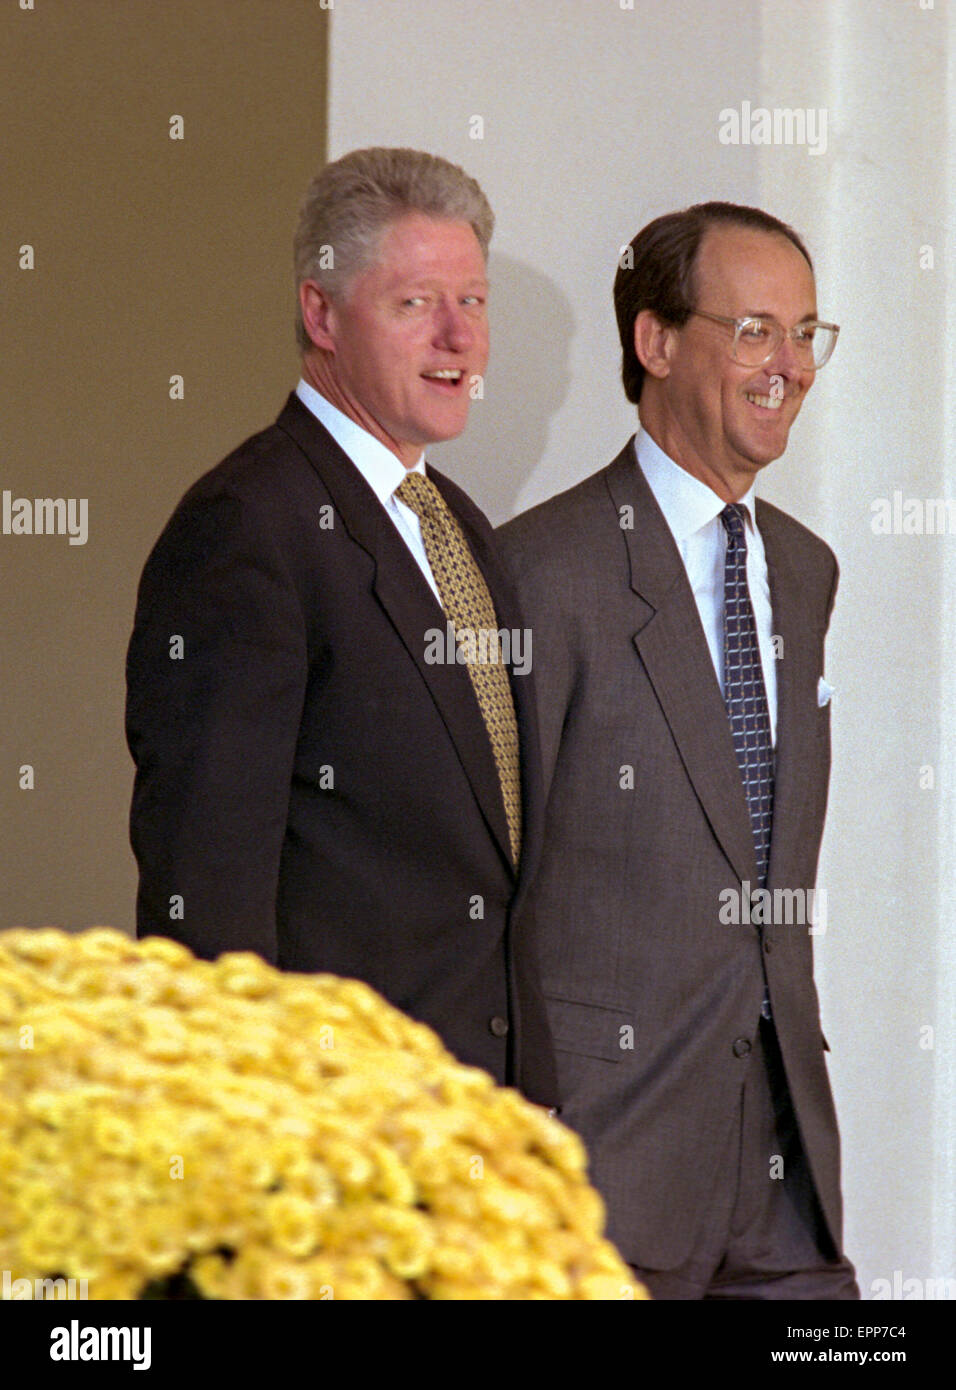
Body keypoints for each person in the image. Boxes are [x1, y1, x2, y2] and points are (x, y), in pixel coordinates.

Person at [126, 147, 556, 1105]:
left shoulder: (460, 527)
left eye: (474, 302)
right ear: (321, 313)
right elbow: (207, 889)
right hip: (336, 1135)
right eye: (415, 304)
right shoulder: (249, 525)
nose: (458, 338)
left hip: (482, 1123)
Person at [497, 202, 858, 1297]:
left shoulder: (804, 568)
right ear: (654, 342)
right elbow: (485, 875)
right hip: (600, 1171)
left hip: (783, 1169)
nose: (787, 366)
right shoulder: (535, 573)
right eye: (752, 330)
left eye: (803, 334)